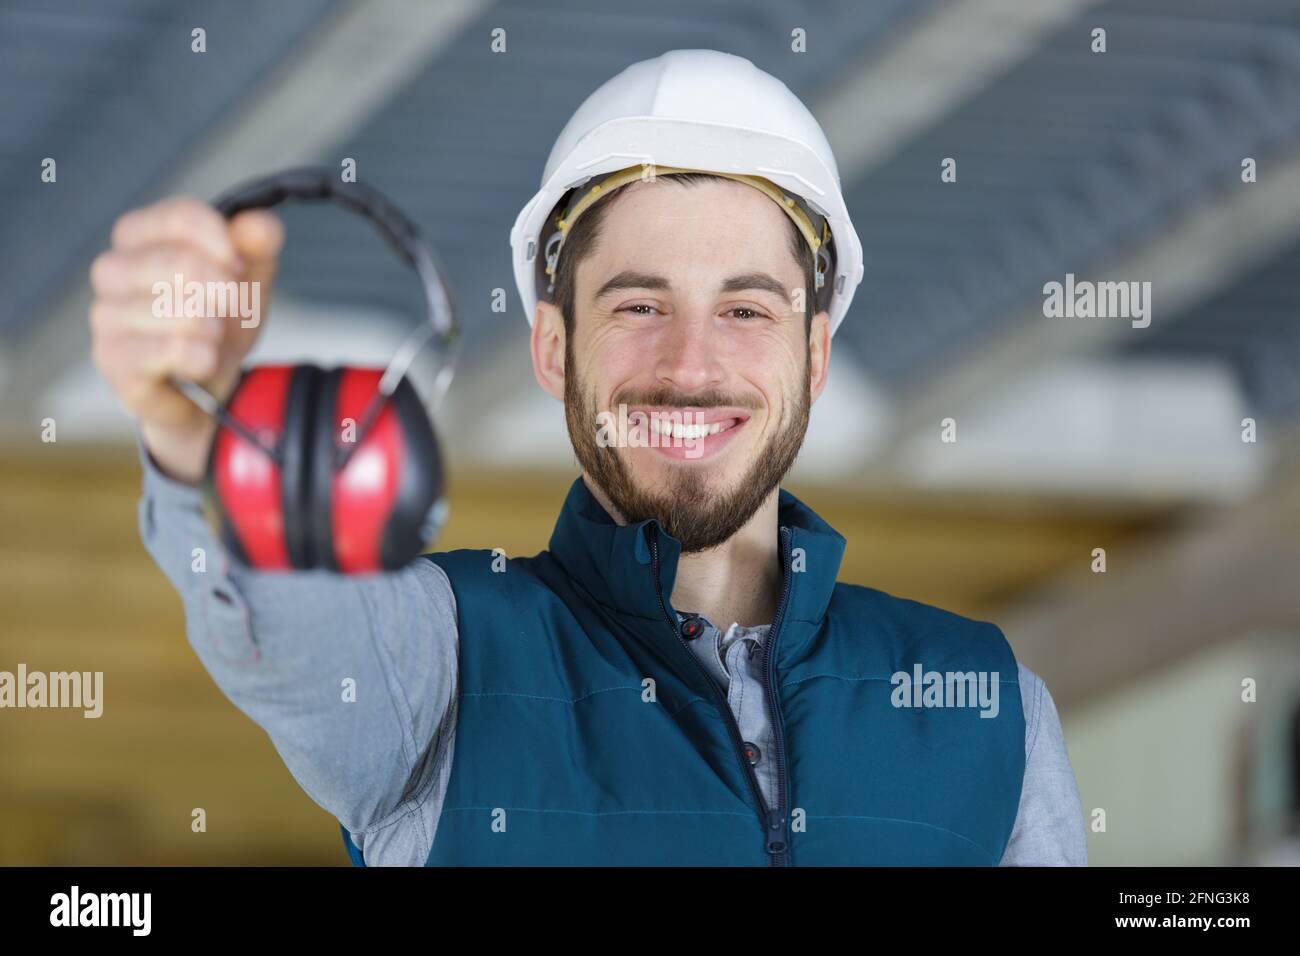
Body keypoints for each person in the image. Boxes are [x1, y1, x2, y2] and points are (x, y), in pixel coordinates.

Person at [89, 49, 1086, 866]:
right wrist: (193, 427)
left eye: (745, 308)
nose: (691, 365)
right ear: (553, 346)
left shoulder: (987, 704)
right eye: (638, 305)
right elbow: (292, 620)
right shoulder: (442, 661)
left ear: (814, 353)